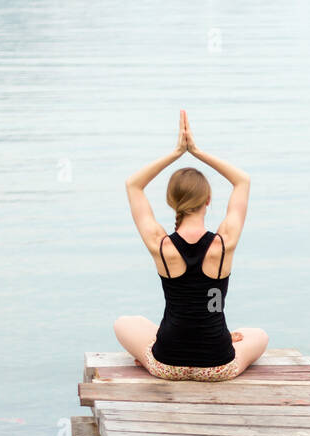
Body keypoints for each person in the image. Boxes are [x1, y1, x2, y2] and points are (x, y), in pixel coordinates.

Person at [114, 110, 268, 381]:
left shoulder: (161, 245)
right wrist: (196, 151)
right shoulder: (224, 242)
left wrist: (177, 152)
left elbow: (133, 185)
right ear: (208, 200)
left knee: (124, 323)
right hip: (217, 365)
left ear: (171, 202)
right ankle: (218, 335)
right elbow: (242, 180)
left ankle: (161, 348)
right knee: (259, 335)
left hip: (167, 364)